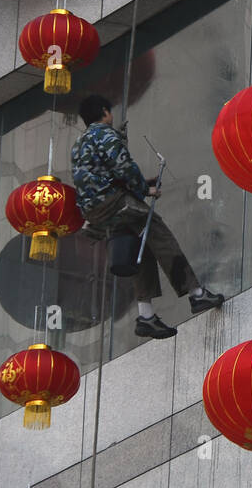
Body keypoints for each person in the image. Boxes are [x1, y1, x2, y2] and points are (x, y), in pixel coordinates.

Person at [70, 94, 223, 339]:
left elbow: (103, 176)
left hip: (95, 209)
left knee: (142, 248)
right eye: (109, 111)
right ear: (104, 112)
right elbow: (124, 168)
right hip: (116, 203)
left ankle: (146, 315)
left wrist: (143, 184)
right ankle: (197, 294)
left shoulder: (79, 143)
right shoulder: (106, 135)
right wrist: (143, 189)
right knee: (161, 237)